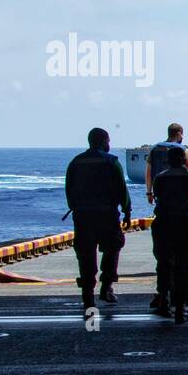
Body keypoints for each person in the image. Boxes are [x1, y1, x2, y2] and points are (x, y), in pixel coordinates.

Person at [65, 127, 132, 309]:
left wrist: (75, 207)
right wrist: (127, 210)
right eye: (108, 141)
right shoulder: (112, 162)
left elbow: (69, 189)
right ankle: (107, 287)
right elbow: (121, 189)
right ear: (104, 142)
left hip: (83, 216)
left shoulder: (76, 162)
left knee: (85, 253)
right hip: (107, 215)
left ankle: (87, 294)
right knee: (114, 246)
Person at [150, 146, 188, 324]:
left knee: (164, 263)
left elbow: (157, 194)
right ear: (184, 160)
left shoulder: (159, 178)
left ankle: (164, 303)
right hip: (186, 223)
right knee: (185, 264)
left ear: (168, 161)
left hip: (164, 222)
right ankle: (181, 308)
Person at [145, 123, 188, 310]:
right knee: (186, 260)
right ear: (179, 134)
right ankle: (183, 299)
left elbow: (148, 173)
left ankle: (163, 295)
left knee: (164, 259)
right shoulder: (184, 152)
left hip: (163, 212)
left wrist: (149, 193)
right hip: (184, 216)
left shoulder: (155, 151)